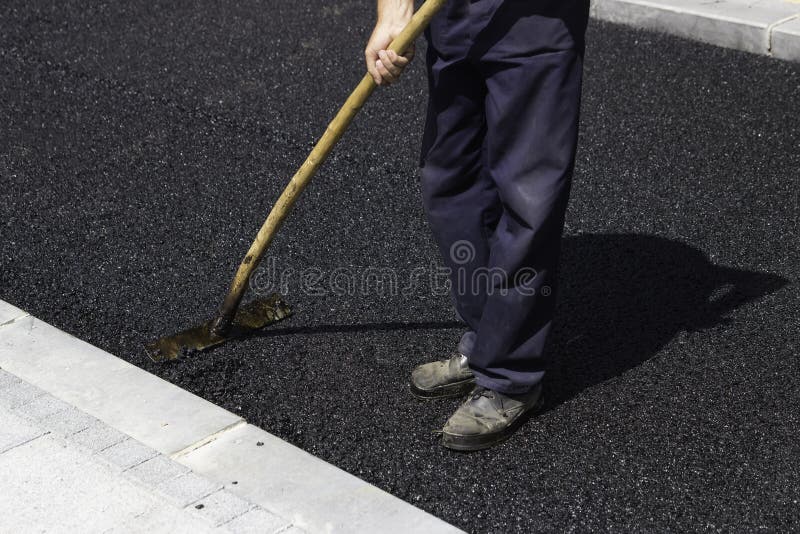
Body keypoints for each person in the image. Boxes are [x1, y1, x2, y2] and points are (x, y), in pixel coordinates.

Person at [366, 0, 589, 451]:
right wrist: (393, 14)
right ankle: (485, 342)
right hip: (450, 18)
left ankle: (510, 376)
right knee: (451, 182)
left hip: (533, 21)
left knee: (527, 199)